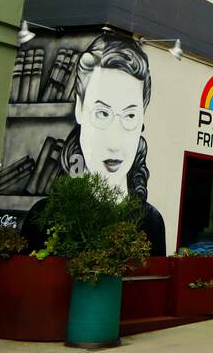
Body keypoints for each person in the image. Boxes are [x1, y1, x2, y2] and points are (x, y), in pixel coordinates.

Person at [24, 33, 166, 255]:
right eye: (102, 113)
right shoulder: (45, 215)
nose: (115, 142)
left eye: (129, 116)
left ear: (142, 120)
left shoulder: (150, 222)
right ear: (79, 108)